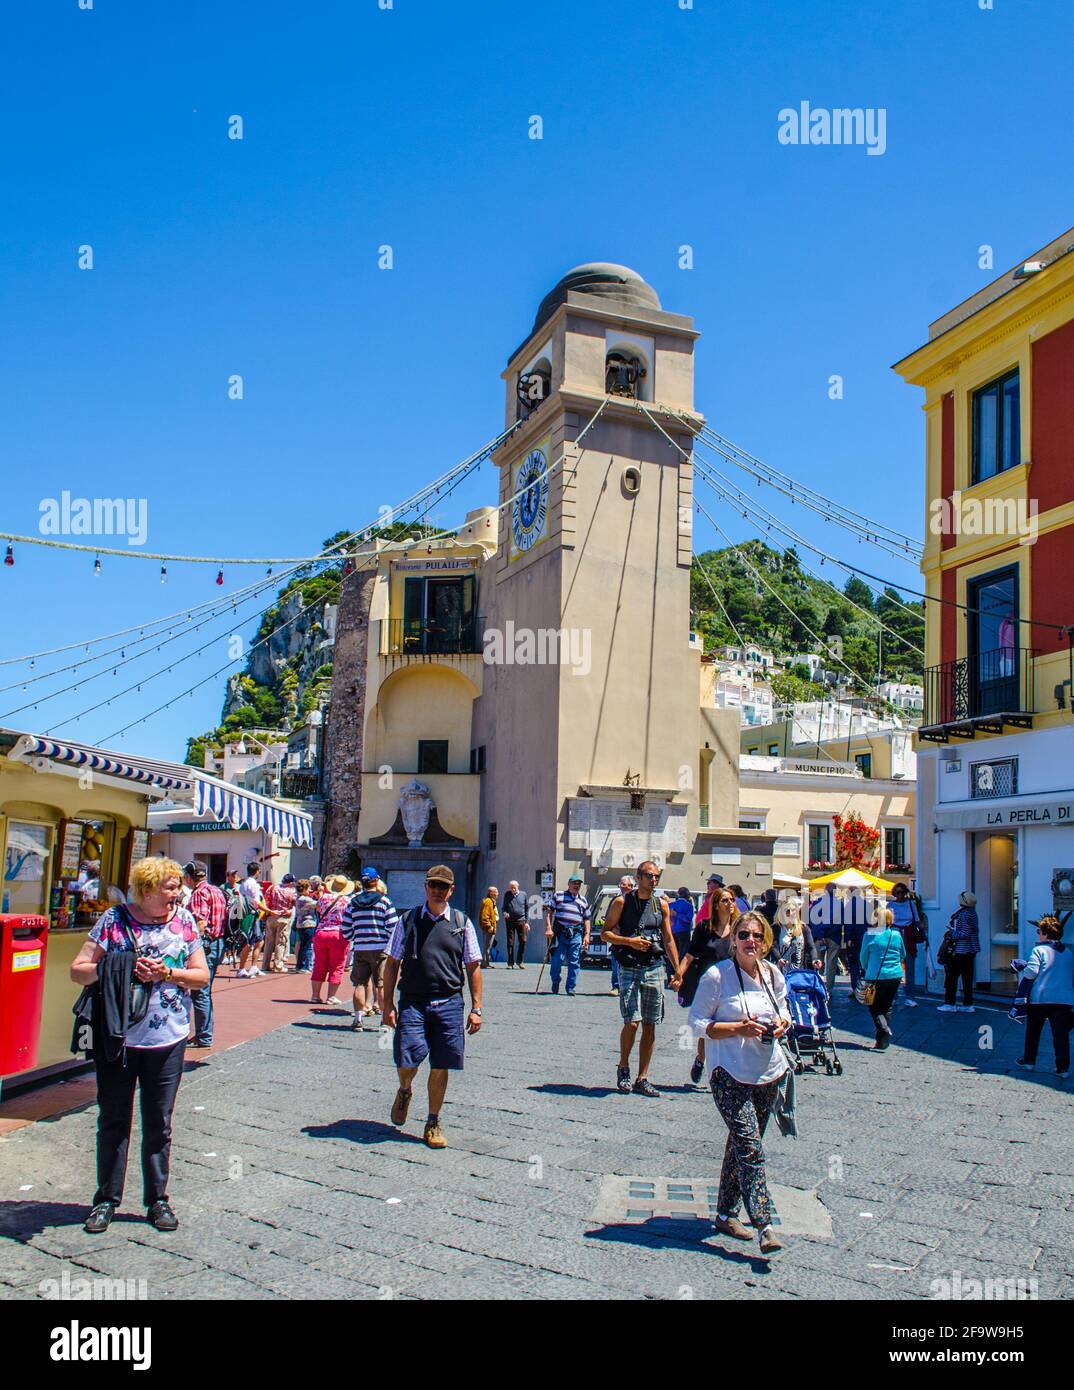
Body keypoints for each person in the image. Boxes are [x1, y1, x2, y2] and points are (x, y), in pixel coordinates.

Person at [70, 856, 209, 1234]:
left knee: (158, 1121)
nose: (177, 892)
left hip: (168, 1038)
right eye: (169, 886)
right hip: (118, 1038)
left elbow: (201, 976)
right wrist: (121, 967)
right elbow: (78, 969)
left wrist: (168, 972)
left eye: (177, 886)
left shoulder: (184, 922)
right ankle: (106, 1199)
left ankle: (157, 1199)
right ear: (146, 889)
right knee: (113, 1119)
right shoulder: (114, 921)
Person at [688, 909, 792, 1256]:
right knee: (751, 1148)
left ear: (766, 942)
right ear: (733, 939)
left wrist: (782, 1026)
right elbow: (698, 1024)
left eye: (757, 936)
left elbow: (785, 1011)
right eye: (744, 935)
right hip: (728, 1073)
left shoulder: (773, 974)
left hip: (767, 1072)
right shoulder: (716, 977)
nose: (751, 941)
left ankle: (724, 1213)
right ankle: (764, 1224)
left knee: (740, 1145)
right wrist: (738, 1029)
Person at [382, 864, 483, 1149]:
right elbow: (392, 963)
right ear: (425, 887)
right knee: (407, 1060)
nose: (438, 891)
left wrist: (477, 1008)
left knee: (441, 1064)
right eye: (433, 885)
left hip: (449, 1002)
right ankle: (405, 1089)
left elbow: (473, 967)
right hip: (413, 1001)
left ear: (452, 890)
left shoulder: (462, 923)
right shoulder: (409, 920)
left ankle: (433, 1121)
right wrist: (387, 1004)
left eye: (443, 886)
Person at [601, 860, 681, 1097]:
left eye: (657, 876)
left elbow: (668, 939)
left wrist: (677, 970)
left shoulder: (661, 905)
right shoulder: (621, 902)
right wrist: (629, 941)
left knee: (650, 1023)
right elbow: (605, 933)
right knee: (632, 1021)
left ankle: (642, 1077)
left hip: (654, 967)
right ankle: (623, 1066)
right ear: (638, 877)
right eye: (648, 876)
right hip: (629, 965)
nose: (653, 880)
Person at [673, 886, 739, 1085]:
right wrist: (679, 974)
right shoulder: (704, 927)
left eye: (731, 900)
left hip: (732, 984)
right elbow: (691, 954)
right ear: (716, 905)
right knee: (708, 1025)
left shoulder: (739, 928)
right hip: (708, 984)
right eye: (725, 900)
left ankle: (725, 1070)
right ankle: (701, 1059)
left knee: (728, 1025)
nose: (729, 904)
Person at [343, 866, 399, 1031]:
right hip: (381, 948)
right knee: (381, 984)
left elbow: (346, 929)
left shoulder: (353, 903)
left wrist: (356, 937)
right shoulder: (384, 901)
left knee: (359, 984)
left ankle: (358, 1019)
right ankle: (383, 1020)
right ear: (376, 881)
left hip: (361, 948)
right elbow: (393, 927)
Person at [1015, 916, 1073, 1077]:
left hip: (1041, 996)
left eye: (1039, 931)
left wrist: (1021, 967)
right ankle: (1062, 1068)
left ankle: (1029, 1061)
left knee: (1034, 1030)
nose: (1038, 934)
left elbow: (1032, 972)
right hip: (1064, 998)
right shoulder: (1068, 952)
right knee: (1060, 1034)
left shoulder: (1039, 950)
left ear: (1046, 933)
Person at [183, 861, 227, 1049]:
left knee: (200, 992)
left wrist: (190, 947)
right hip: (219, 943)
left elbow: (199, 923)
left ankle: (204, 1036)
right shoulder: (216, 891)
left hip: (206, 945)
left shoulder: (199, 893)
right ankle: (204, 1033)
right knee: (205, 991)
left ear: (191, 876)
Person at [857, 907, 906, 1051]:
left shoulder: (869, 935)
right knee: (886, 1006)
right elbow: (902, 954)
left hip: (875, 975)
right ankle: (881, 1041)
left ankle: (884, 1030)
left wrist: (867, 968)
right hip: (895, 975)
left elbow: (863, 957)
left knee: (873, 1006)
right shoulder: (896, 935)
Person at [544, 872, 591, 996]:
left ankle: (571, 987)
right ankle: (555, 980)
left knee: (574, 961)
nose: (576, 886)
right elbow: (549, 912)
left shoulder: (583, 900)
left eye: (578, 884)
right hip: (560, 933)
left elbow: (587, 919)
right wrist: (549, 928)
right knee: (556, 960)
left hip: (576, 933)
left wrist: (587, 935)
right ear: (569, 884)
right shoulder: (559, 895)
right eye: (574, 883)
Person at [311, 874, 353, 1006]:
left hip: (321, 933)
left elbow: (318, 908)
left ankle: (315, 995)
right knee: (337, 965)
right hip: (338, 933)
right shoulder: (348, 900)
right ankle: (331, 996)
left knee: (319, 964)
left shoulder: (324, 897)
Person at [938, 890, 980, 1013]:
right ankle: (968, 1003)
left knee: (952, 976)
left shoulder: (964, 914)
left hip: (960, 950)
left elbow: (965, 933)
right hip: (970, 950)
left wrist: (952, 933)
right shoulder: (972, 912)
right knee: (967, 978)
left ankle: (949, 1003)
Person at [889, 882, 926, 1007]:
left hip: (908, 938)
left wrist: (923, 928)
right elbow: (886, 922)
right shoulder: (890, 905)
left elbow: (916, 920)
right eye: (897, 892)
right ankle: (893, 996)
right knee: (893, 968)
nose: (899, 895)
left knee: (910, 969)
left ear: (905, 893)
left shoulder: (911, 904)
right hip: (894, 938)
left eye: (901, 892)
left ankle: (910, 996)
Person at [771, 897, 821, 976]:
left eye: (793, 910)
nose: (790, 913)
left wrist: (815, 959)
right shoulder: (776, 928)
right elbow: (773, 946)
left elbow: (811, 947)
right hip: (780, 972)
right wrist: (778, 959)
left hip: (799, 973)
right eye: (787, 911)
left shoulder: (804, 928)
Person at [261, 873, 297, 975]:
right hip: (284, 918)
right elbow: (295, 903)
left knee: (269, 941)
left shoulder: (273, 888)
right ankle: (278, 965)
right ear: (290, 882)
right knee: (280, 942)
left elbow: (266, 899)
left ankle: (265, 965)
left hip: (271, 916)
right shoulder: (292, 891)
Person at [607, 875, 636, 995]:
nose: (621, 886)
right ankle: (616, 986)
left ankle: (631, 986)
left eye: (624, 884)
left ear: (631, 886)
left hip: (633, 937)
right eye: (621, 884)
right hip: (617, 937)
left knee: (633, 963)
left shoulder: (636, 901)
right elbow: (609, 917)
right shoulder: (615, 901)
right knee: (616, 962)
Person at [236, 863, 265, 978]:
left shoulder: (243, 884)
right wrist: (270, 911)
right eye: (259, 871)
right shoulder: (253, 885)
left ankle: (253, 967)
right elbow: (256, 903)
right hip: (252, 915)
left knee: (258, 941)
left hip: (247, 914)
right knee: (249, 942)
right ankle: (242, 969)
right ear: (257, 871)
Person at [668, 888, 695, 982]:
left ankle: (670, 976)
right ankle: (680, 976)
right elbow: (688, 919)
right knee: (683, 954)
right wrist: (678, 915)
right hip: (684, 932)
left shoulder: (670, 905)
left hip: (672, 931)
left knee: (671, 954)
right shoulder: (689, 906)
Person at [501, 880, 529, 968]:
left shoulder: (523, 894)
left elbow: (527, 909)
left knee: (523, 941)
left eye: (514, 887)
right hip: (510, 921)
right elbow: (504, 908)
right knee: (510, 942)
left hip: (521, 921)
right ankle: (510, 962)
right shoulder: (507, 894)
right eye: (511, 887)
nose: (513, 889)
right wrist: (505, 913)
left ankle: (520, 961)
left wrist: (527, 922)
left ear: (518, 886)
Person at [293, 879, 318, 974]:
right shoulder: (305, 899)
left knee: (303, 945)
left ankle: (300, 965)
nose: (310, 891)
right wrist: (319, 895)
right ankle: (306, 966)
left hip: (301, 924)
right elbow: (318, 904)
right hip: (308, 924)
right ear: (303, 889)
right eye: (308, 889)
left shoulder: (299, 898)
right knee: (308, 946)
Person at [479, 885, 499, 968]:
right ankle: (484, 963)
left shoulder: (491, 901)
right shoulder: (488, 902)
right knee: (487, 946)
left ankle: (486, 962)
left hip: (491, 927)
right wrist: (489, 926)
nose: (498, 893)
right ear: (491, 893)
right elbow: (485, 915)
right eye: (496, 892)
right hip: (489, 928)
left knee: (488, 946)